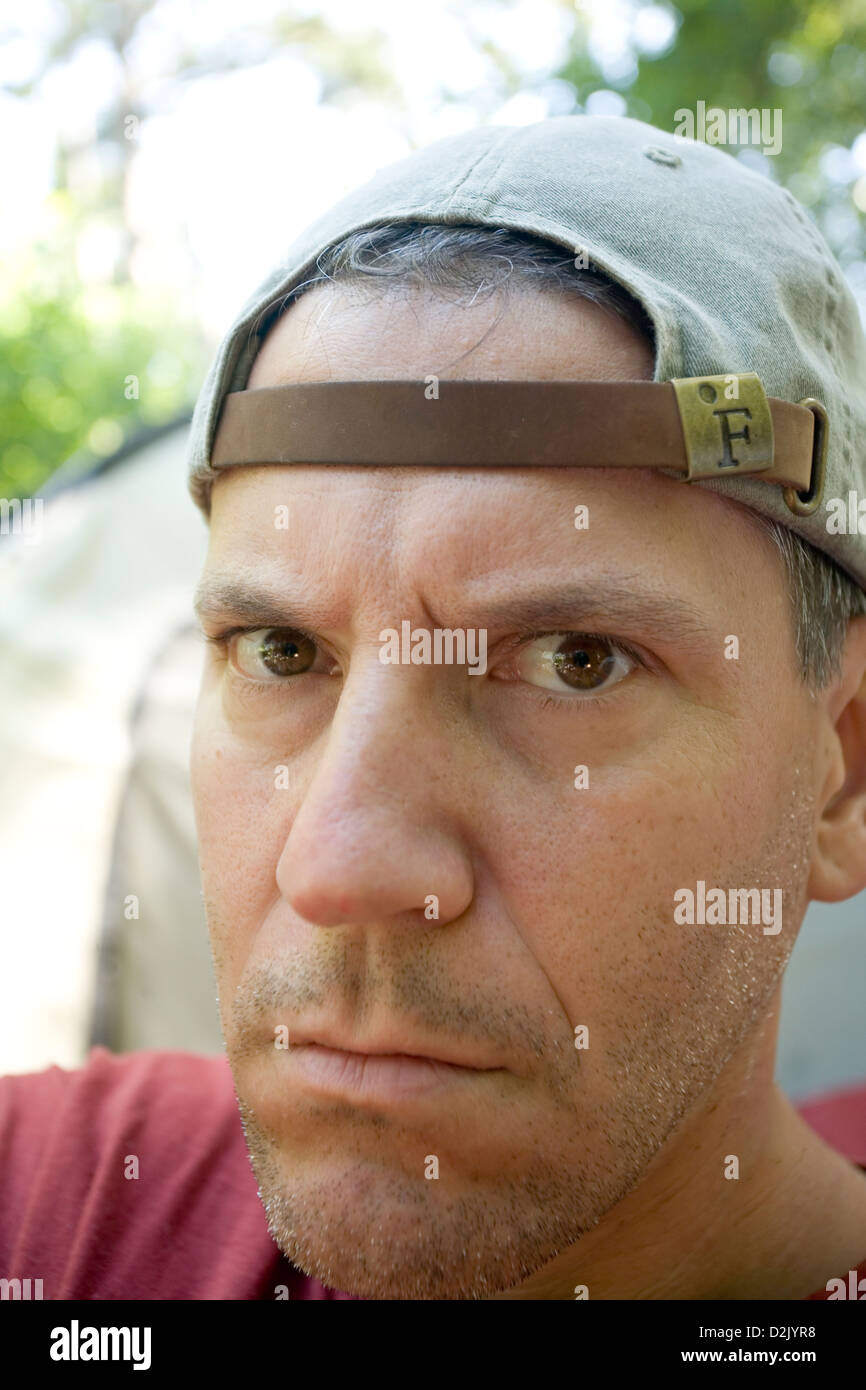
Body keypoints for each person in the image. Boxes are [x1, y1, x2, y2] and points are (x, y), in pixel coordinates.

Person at [3, 114, 866, 1301]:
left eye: (573, 660)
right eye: (278, 650)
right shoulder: (69, 1207)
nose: (340, 868)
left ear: (842, 768)